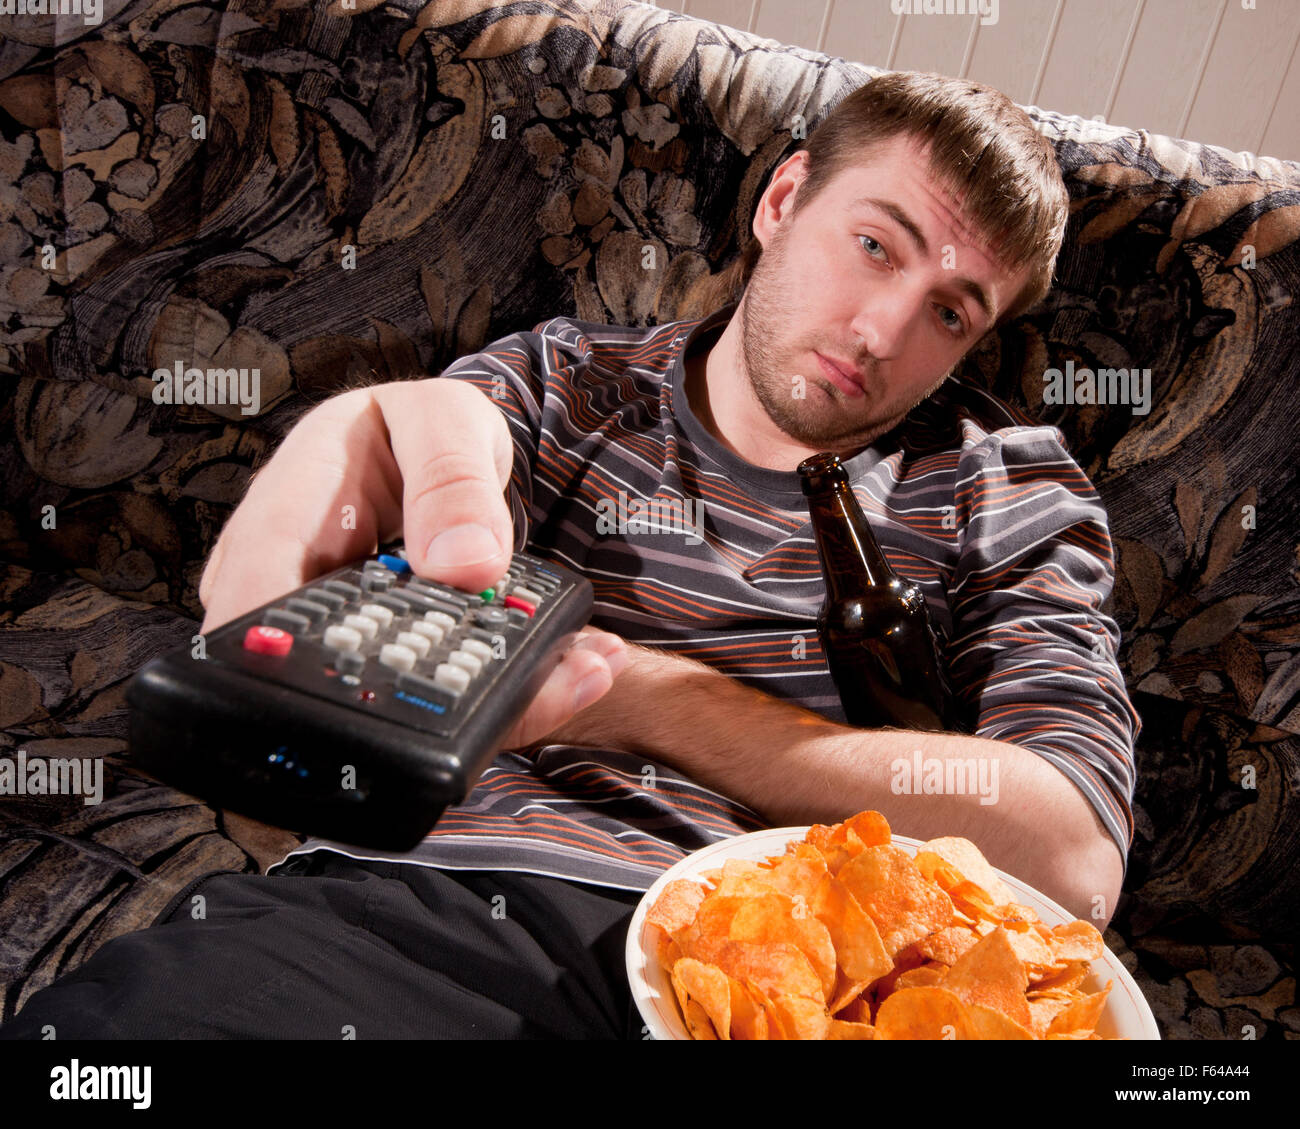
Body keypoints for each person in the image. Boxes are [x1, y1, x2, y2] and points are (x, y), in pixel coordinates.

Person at [0, 72, 1138, 1040]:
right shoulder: (564, 379)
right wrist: (359, 448)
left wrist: (643, 699)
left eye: (951, 311)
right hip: (438, 912)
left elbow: (1074, 855)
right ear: (785, 199)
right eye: (874, 244)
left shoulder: (1011, 486)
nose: (881, 333)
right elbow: (438, 444)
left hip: (799, 986)